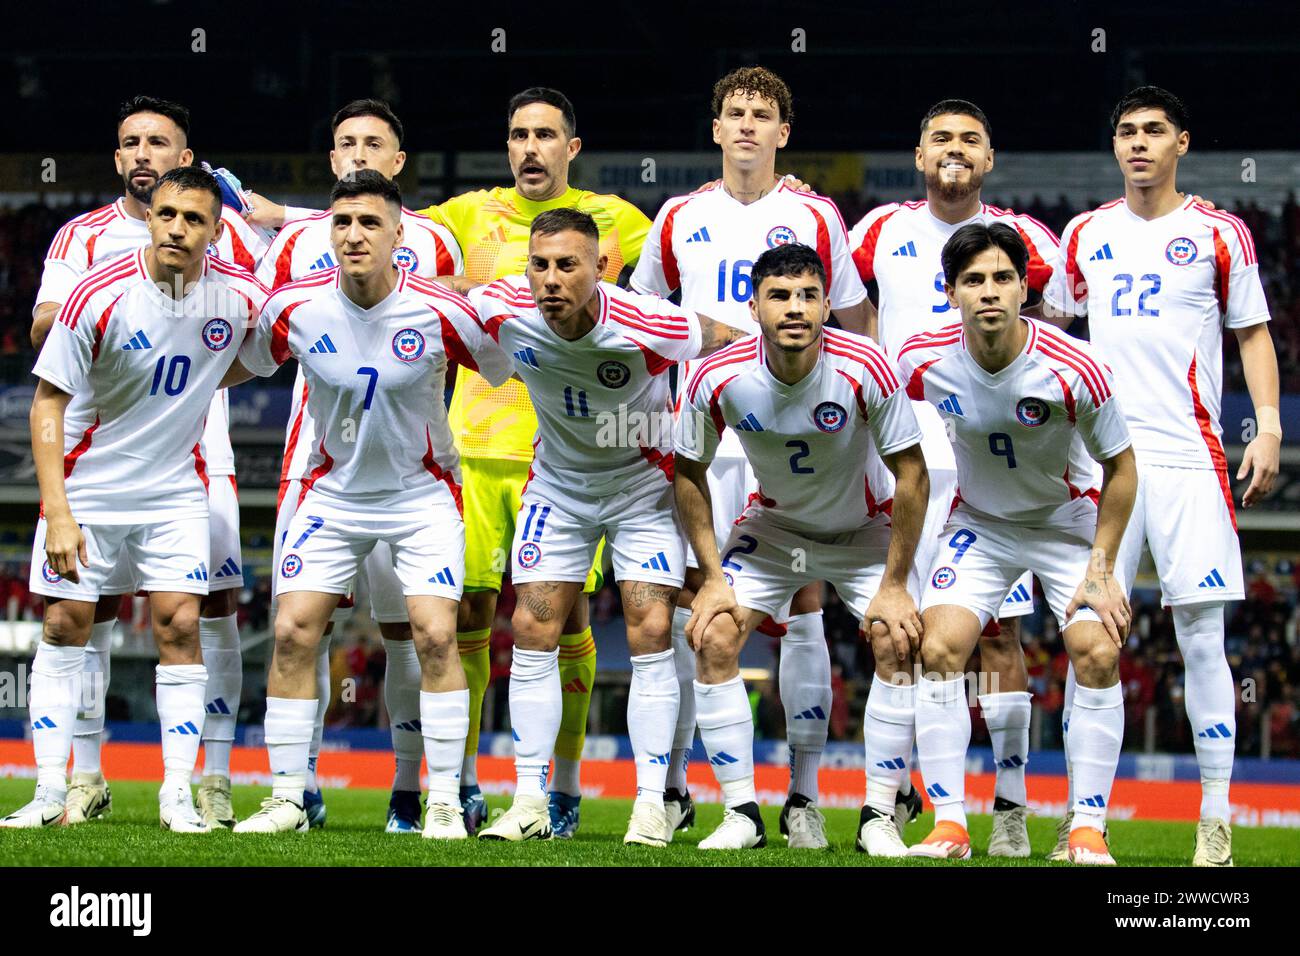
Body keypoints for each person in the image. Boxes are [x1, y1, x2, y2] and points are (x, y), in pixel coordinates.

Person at [225, 171, 511, 837]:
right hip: (332, 492)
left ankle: (441, 799)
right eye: (344, 222)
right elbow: (245, 362)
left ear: (397, 236)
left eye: (370, 223)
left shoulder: (443, 311)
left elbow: (509, 368)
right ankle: (288, 799)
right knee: (294, 632)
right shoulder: (295, 307)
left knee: (436, 636)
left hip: (422, 497)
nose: (355, 235)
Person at [630, 66, 871, 846]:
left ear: (782, 133)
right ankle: (673, 792)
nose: (745, 125)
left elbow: (858, 322)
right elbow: (645, 325)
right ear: (715, 128)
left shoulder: (814, 213)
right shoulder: (676, 217)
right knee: (690, 613)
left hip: (793, 436)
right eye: (733, 112)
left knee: (803, 607)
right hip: (702, 436)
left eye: (761, 115)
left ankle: (802, 796)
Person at [1044, 86, 1281, 865]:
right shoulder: (1084, 234)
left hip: (1189, 458)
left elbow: (1251, 335)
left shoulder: (1221, 233)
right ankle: (1085, 821)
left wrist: (1270, 426)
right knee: (1092, 635)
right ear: (1114, 147)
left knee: (1202, 637)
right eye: (1125, 132)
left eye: (1153, 131)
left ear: (1182, 142)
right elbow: (1047, 329)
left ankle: (1216, 821)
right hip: (1101, 457)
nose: (1138, 143)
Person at [29, 95, 268, 830]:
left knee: (191, 620)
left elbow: (263, 344)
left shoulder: (234, 278)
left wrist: (195, 368)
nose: (141, 153)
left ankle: (193, 787)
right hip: (94, 469)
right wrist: (58, 508)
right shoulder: (90, 266)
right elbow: (48, 382)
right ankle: (63, 785)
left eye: (156, 141)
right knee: (74, 620)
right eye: (128, 141)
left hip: (189, 468)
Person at [417, 89, 651, 836]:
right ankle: (465, 781)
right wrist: (279, 218)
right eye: (518, 133)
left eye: (545, 134)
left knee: (561, 618)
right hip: (476, 446)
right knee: (472, 614)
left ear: (571, 148)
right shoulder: (465, 213)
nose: (529, 147)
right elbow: (385, 233)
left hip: (570, 452)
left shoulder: (619, 219)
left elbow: (695, 261)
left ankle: (566, 785)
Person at [469, 208, 740, 845]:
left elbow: (727, 336)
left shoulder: (650, 324)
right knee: (531, 627)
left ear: (602, 269)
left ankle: (650, 804)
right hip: (558, 488)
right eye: (540, 265)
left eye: (568, 265)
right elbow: (447, 296)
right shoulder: (505, 311)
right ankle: (530, 801)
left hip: (641, 486)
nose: (551, 279)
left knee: (651, 629)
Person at [846, 100, 1062, 855]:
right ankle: (902, 799)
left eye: (971, 138)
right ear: (918, 154)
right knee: (902, 631)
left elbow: (1055, 339)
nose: (955, 150)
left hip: (993, 470)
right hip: (904, 461)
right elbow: (857, 335)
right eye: (941, 137)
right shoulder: (876, 231)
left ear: (990, 158)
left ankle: (1009, 804)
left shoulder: (1030, 240)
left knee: (997, 639)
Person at [251, 98, 463, 833]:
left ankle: (415, 791)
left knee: (414, 631)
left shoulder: (437, 248)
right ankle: (296, 788)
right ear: (332, 158)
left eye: (375, 143)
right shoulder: (294, 253)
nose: (360, 153)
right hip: (318, 469)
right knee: (298, 629)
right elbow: (255, 346)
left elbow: (459, 344)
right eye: (346, 143)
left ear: (399, 165)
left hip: (412, 469)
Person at [675, 242, 928, 851]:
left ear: (824, 306)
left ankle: (877, 817)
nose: (797, 308)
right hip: (776, 529)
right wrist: (711, 575)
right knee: (711, 633)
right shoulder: (717, 375)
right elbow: (687, 471)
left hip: (863, 531)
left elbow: (912, 473)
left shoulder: (867, 364)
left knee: (899, 639)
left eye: (810, 296)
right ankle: (741, 814)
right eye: (782, 296)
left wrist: (895, 584)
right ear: (755, 305)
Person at [898, 222, 1137, 864]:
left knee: (1095, 653)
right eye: (973, 280)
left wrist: (1100, 567)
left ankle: (1085, 829)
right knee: (940, 647)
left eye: (1003, 277)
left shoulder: (1074, 366)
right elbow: (891, 440)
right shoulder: (921, 360)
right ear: (951, 292)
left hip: (1068, 523)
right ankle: (949, 827)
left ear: (1024, 285)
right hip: (982, 522)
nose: (990, 291)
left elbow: (1123, 469)